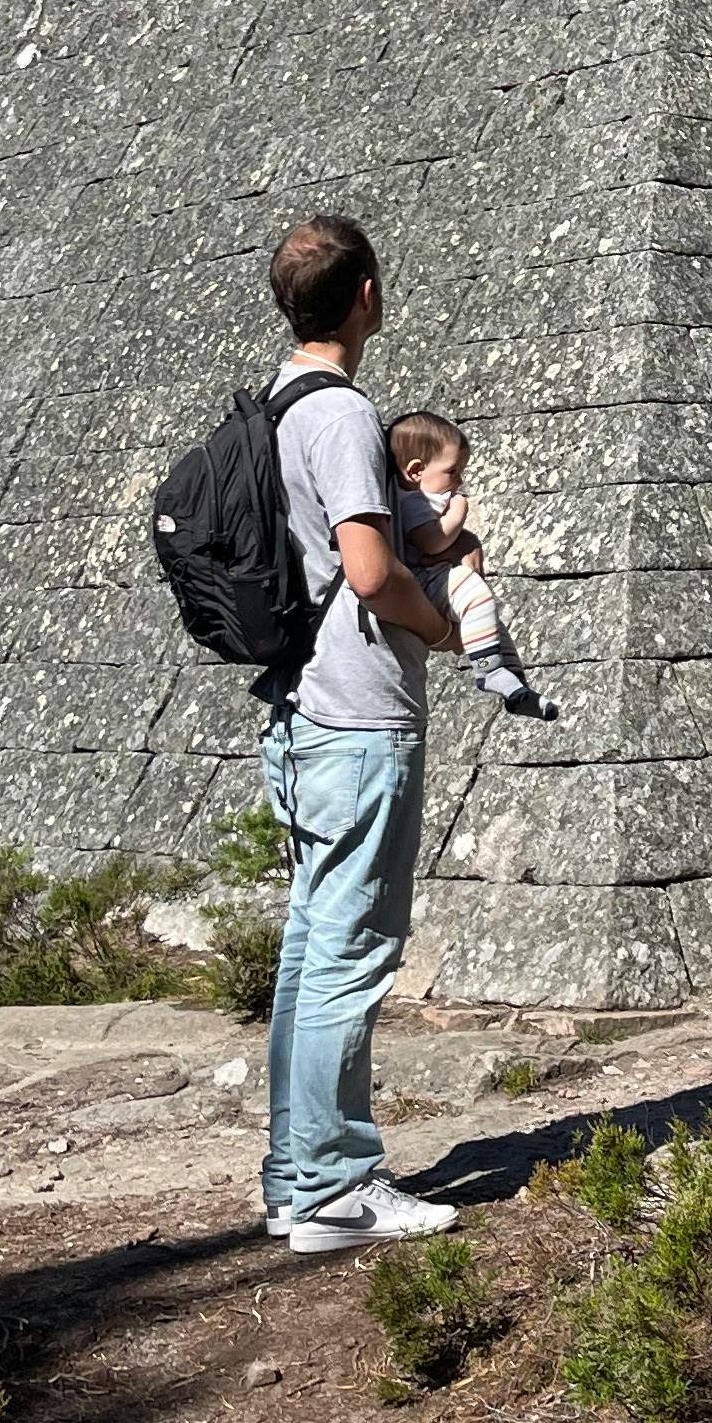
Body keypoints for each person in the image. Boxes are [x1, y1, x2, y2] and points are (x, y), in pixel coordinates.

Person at [254, 209, 462, 1259]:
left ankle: (296, 1178)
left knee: (311, 945)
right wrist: (445, 625)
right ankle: (337, 1190)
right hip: (356, 715)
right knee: (351, 951)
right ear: (367, 295)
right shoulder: (338, 414)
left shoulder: (276, 406)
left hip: (303, 710)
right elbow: (372, 572)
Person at [386, 407, 549, 718]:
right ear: (416, 470)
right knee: (478, 598)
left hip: (435, 575)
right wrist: (459, 512)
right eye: (452, 471)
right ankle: (489, 671)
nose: (458, 480)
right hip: (425, 578)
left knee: (491, 622)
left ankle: (514, 682)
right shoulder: (414, 501)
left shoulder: (425, 494)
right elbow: (432, 541)